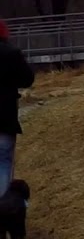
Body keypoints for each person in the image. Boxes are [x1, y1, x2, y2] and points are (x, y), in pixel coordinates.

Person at [0, 19, 36, 198]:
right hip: (4, 119)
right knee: (3, 164)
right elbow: (27, 79)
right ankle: (2, 212)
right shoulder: (11, 53)